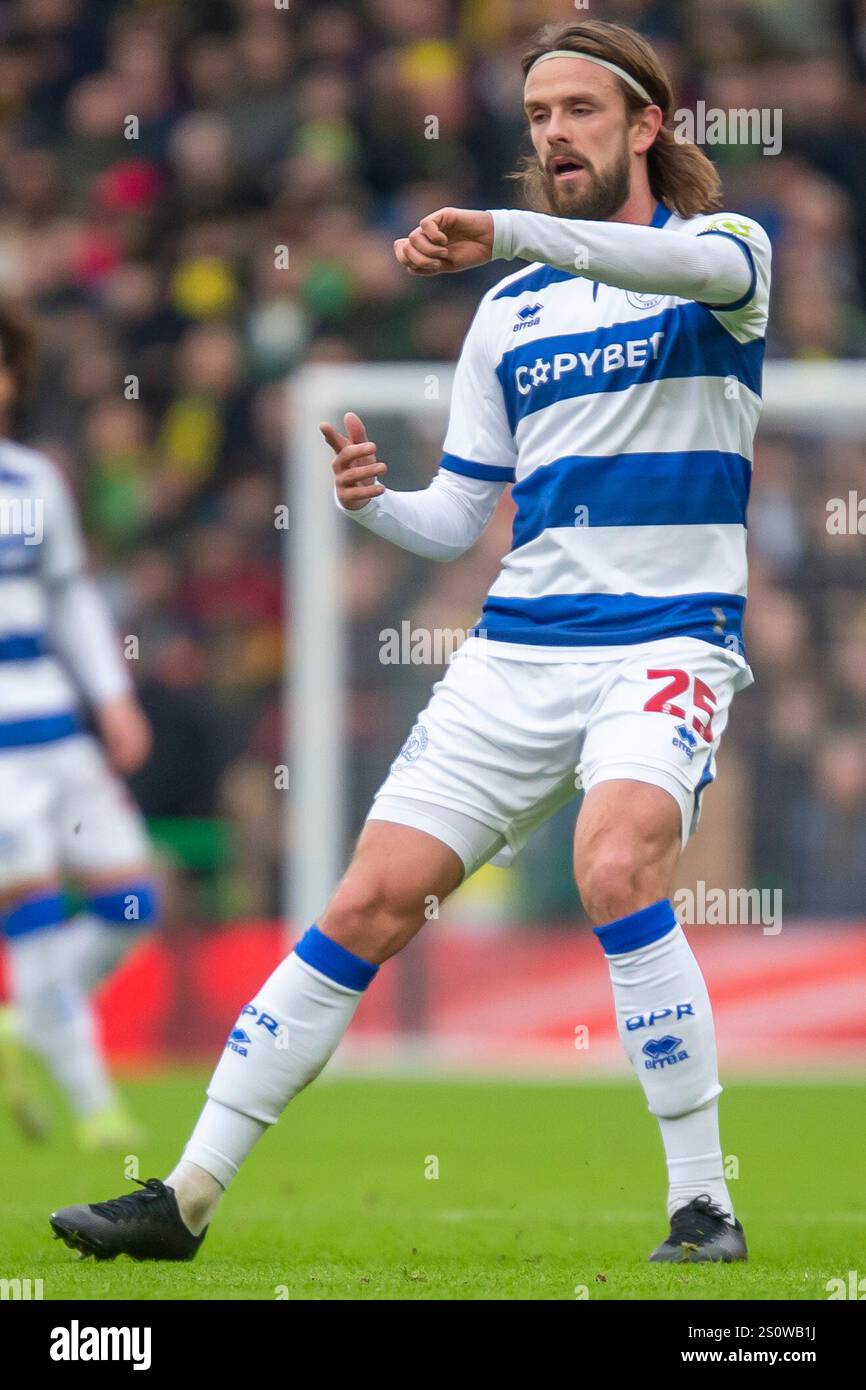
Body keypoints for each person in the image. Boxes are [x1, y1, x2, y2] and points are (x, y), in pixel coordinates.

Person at [50, 18, 769, 1262]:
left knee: (614, 868)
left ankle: (701, 1205)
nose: (551, 135)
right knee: (367, 901)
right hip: (514, 653)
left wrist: (500, 230)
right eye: (537, 116)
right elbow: (457, 516)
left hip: (664, 642)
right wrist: (378, 503)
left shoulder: (723, 254)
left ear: (645, 123)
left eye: (579, 112)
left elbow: (676, 271)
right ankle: (185, 1196)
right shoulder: (510, 315)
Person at [0, 299, 158, 1151]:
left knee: (133, 901)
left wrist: (114, 698)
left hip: (57, 733)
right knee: (25, 912)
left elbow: (72, 600)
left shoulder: (34, 481)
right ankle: (97, 1108)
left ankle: (28, 1018)